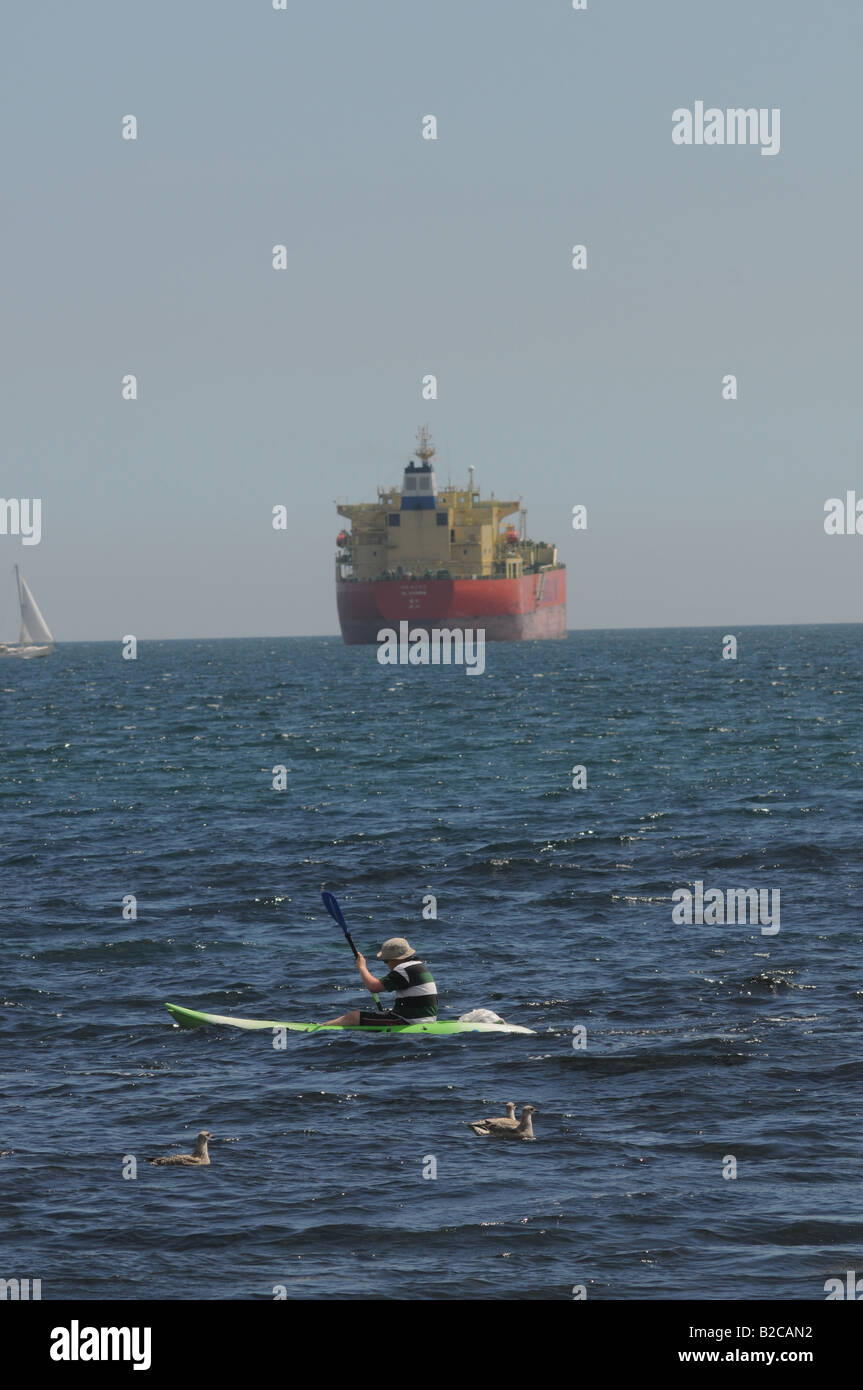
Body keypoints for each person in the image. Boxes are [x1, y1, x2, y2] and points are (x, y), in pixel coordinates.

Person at [321, 937, 437, 1027]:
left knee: (353, 1017)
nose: (386, 964)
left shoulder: (404, 969)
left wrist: (362, 967)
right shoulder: (419, 966)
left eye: (386, 961)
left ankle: (322, 1027)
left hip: (407, 1021)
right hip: (427, 1019)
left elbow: (373, 987)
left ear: (398, 959)